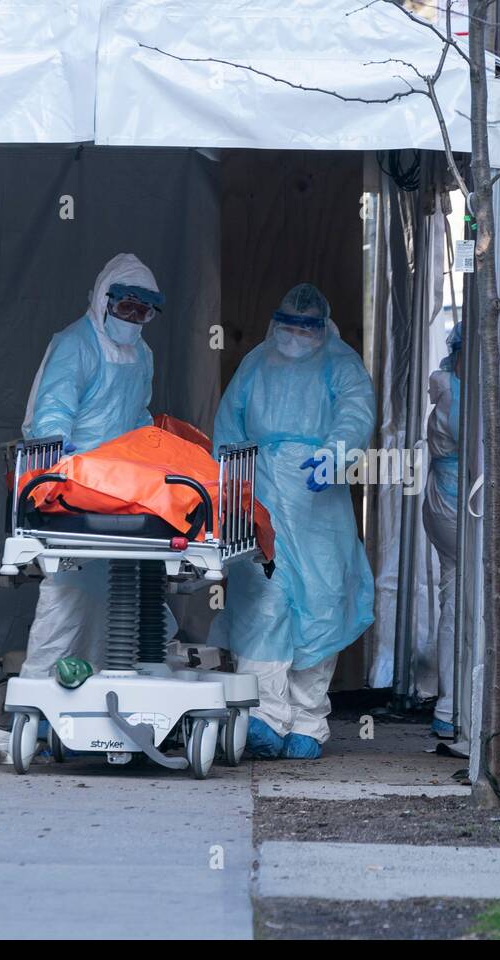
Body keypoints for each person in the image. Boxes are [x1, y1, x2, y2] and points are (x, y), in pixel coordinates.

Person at [213, 284, 376, 759]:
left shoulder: (341, 364)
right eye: (288, 323)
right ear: (274, 320)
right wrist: (226, 486)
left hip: (316, 505)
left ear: (322, 328)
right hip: (260, 495)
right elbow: (229, 427)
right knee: (262, 603)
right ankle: (264, 716)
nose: (295, 333)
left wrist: (336, 453)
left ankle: (307, 720)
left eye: (306, 326)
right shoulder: (255, 364)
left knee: (321, 605)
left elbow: (355, 412)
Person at [19, 254, 165, 679]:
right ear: (104, 300)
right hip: (78, 487)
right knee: (66, 597)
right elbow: (51, 416)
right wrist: (60, 475)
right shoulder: (74, 345)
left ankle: (99, 691)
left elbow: (139, 417)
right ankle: (42, 697)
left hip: (123, 490)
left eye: (143, 311)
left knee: (119, 599)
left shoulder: (143, 355)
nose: (133, 319)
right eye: (125, 307)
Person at [421, 322, 464, 738]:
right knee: (466, 602)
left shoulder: (449, 385)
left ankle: (451, 704)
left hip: (445, 503)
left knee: (454, 599)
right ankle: (456, 704)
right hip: (456, 507)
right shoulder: (456, 391)